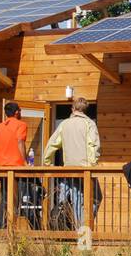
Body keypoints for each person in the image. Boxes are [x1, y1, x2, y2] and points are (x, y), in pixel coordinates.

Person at [42, 96, 101, 228]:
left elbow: (51, 144)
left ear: (73, 108)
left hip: (68, 170)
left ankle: (77, 230)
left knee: (75, 200)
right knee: (94, 198)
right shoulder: (90, 124)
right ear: (85, 110)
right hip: (85, 170)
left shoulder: (64, 124)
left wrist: (48, 164)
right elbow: (94, 146)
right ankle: (83, 234)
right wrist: (92, 165)